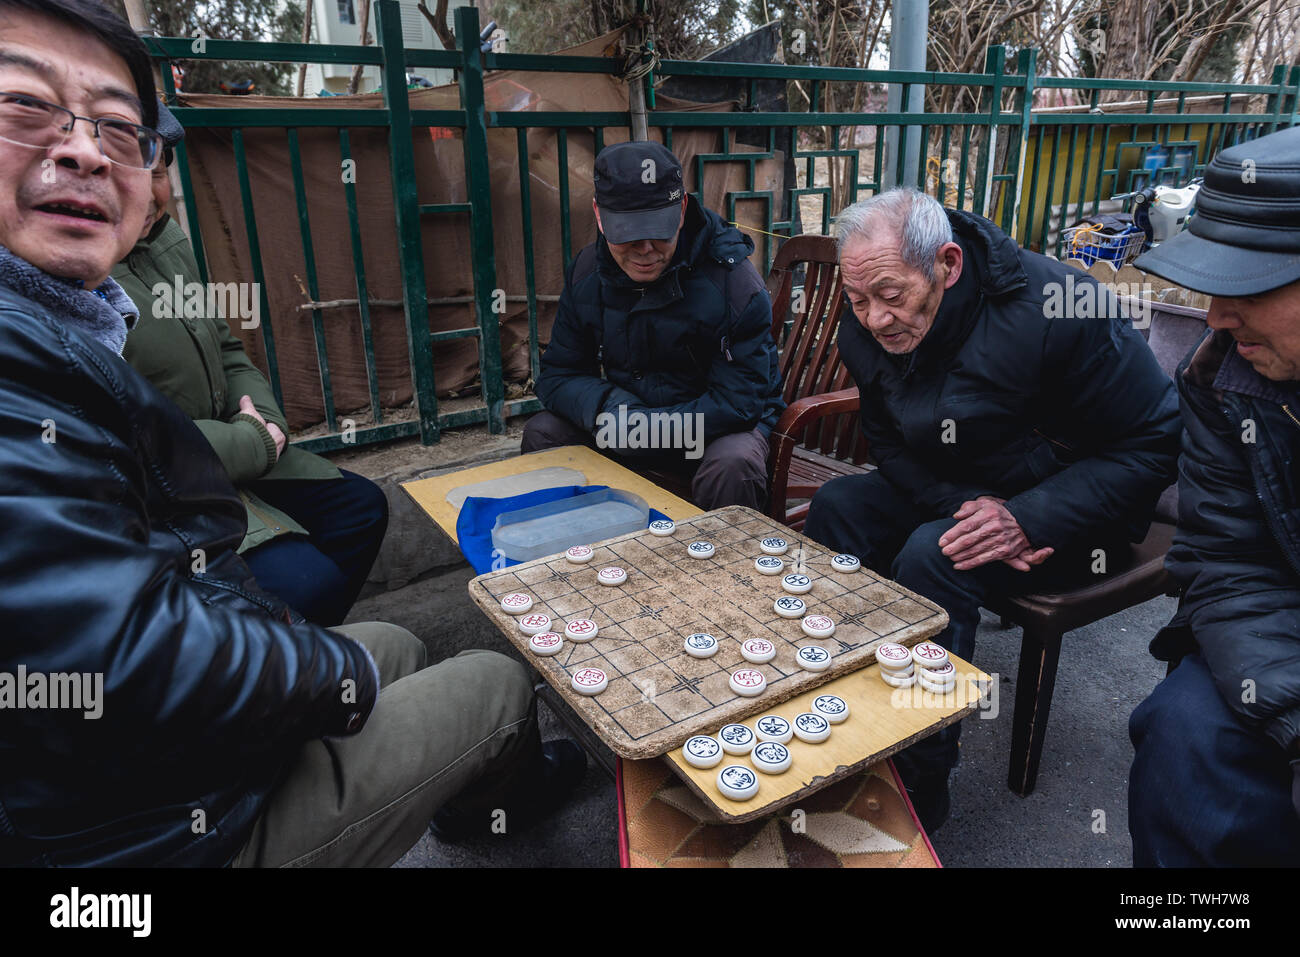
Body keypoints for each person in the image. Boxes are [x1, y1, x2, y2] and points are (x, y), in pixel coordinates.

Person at [0, 0, 581, 867]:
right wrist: (319, 676)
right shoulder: (28, 350)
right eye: (24, 105)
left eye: (123, 130)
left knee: (396, 623)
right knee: (490, 674)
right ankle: (493, 792)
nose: (87, 150)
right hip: (155, 833)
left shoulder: (89, 303)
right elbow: (128, 652)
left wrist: (259, 416)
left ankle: (460, 780)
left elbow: (230, 354)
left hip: (172, 750)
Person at [803, 187, 1180, 829]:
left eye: (892, 295)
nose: (873, 319)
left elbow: (1155, 441)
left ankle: (922, 777)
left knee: (934, 553)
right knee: (839, 505)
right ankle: (844, 712)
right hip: (963, 483)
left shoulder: (1063, 306)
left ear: (947, 265)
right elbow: (889, 442)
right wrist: (965, 502)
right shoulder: (868, 315)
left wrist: (1030, 516)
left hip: (1080, 516)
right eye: (858, 300)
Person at [111, 104, 386, 627]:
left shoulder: (164, 243)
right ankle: (294, 666)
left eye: (160, 171)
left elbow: (228, 347)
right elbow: (128, 442)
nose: (150, 193)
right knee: (308, 581)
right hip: (168, 493)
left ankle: (298, 649)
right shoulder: (74, 279)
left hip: (236, 454)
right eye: (132, 173)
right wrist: (253, 442)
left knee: (361, 507)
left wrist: (268, 423)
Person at [1127, 124, 1300, 866]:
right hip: (1280, 630)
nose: (1216, 316)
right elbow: (1227, 559)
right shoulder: (1220, 381)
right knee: (1182, 732)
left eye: (1248, 287)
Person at [523, 140, 784, 511]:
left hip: (715, 431)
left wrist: (644, 430)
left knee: (733, 464)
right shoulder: (585, 271)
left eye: (658, 232)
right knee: (543, 431)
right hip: (627, 421)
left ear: (681, 211)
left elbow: (738, 404)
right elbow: (559, 375)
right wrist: (610, 409)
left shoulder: (735, 284)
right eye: (627, 233)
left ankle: (728, 567)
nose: (645, 249)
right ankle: (569, 559)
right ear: (599, 215)